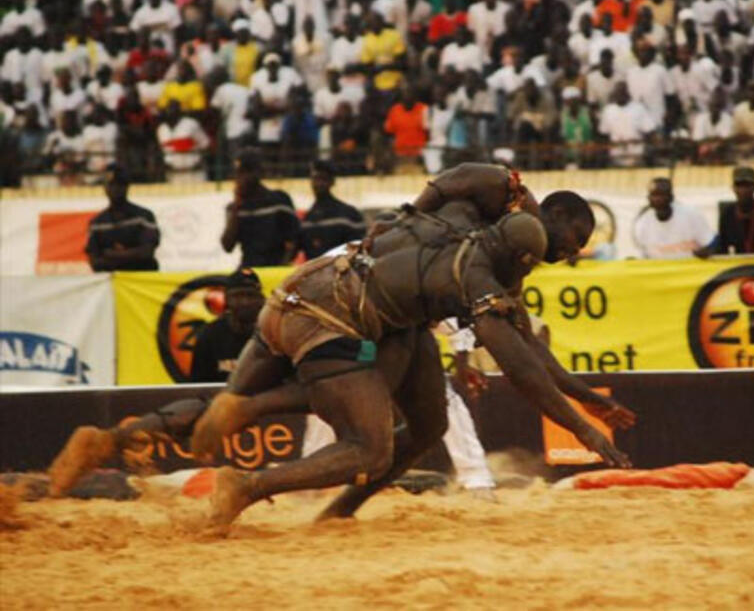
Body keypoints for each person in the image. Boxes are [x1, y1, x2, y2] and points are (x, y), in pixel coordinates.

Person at [49, 178, 633, 531]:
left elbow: (526, 346)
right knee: (371, 440)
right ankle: (248, 486)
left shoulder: (462, 217)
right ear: (539, 229)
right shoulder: (482, 272)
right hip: (341, 312)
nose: (567, 257)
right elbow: (521, 364)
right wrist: (583, 425)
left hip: (312, 283)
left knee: (417, 417)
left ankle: (110, 440)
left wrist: (584, 401)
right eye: (569, 244)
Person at [220, 150, 300, 267]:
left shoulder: (279, 200)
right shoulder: (234, 208)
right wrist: (237, 206)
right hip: (249, 272)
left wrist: (280, 270)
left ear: (258, 172)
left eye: (244, 172)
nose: (239, 178)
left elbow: (294, 240)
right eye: (237, 173)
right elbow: (227, 246)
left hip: (276, 270)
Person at [190, 269, 265, 383]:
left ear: (261, 299)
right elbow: (197, 385)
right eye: (238, 296)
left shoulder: (273, 333)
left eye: (250, 295)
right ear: (226, 300)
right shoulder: (210, 335)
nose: (245, 302)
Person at [85, 167, 160, 272]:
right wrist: (130, 254)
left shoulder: (143, 217)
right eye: (111, 185)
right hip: (112, 284)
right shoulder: (97, 223)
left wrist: (112, 254)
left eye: (120, 185)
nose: (115, 189)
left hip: (141, 281)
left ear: (127, 187)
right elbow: (95, 261)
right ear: (105, 188)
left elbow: (146, 253)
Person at [632, 177, 715, 259]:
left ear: (671, 197)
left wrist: (707, 252)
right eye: (654, 195)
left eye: (662, 195)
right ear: (648, 198)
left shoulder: (691, 215)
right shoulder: (642, 222)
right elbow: (643, 254)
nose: (658, 199)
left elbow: (712, 243)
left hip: (691, 269)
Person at [299, 161, 367, 260]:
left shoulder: (349, 214)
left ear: (332, 182)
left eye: (323, 179)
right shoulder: (308, 219)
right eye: (315, 179)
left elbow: (358, 249)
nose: (319, 184)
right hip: (314, 273)